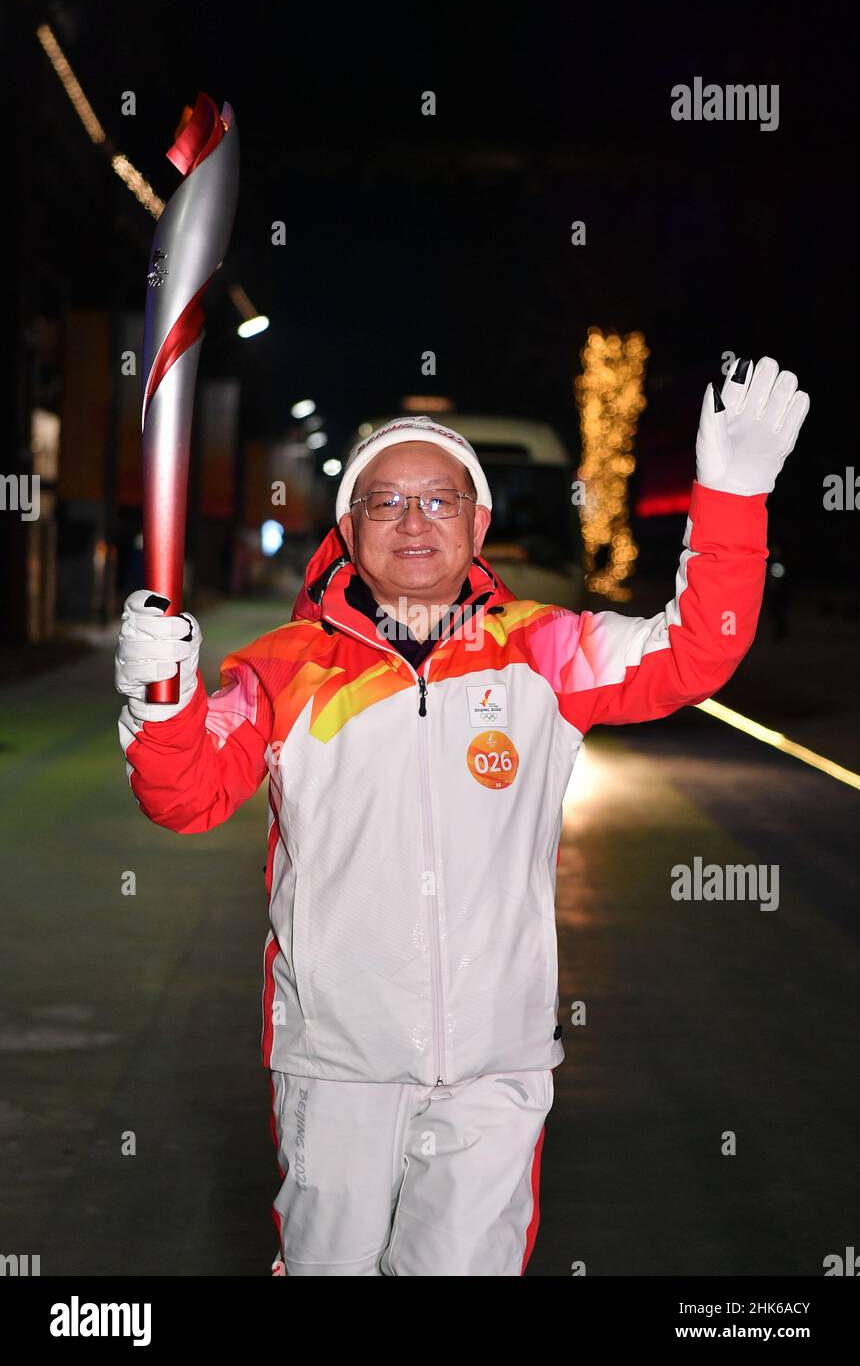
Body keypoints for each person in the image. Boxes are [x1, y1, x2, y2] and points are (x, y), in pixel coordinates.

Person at [115, 355, 809, 1276]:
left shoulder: (546, 649)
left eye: (439, 501)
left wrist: (731, 500)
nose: (413, 522)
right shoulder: (281, 670)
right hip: (339, 1062)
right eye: (386, 502)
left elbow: (694, 655)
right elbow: (185, 796)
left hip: (497, 1062)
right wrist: (160, 703)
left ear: (477, 523)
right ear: (349, 527)